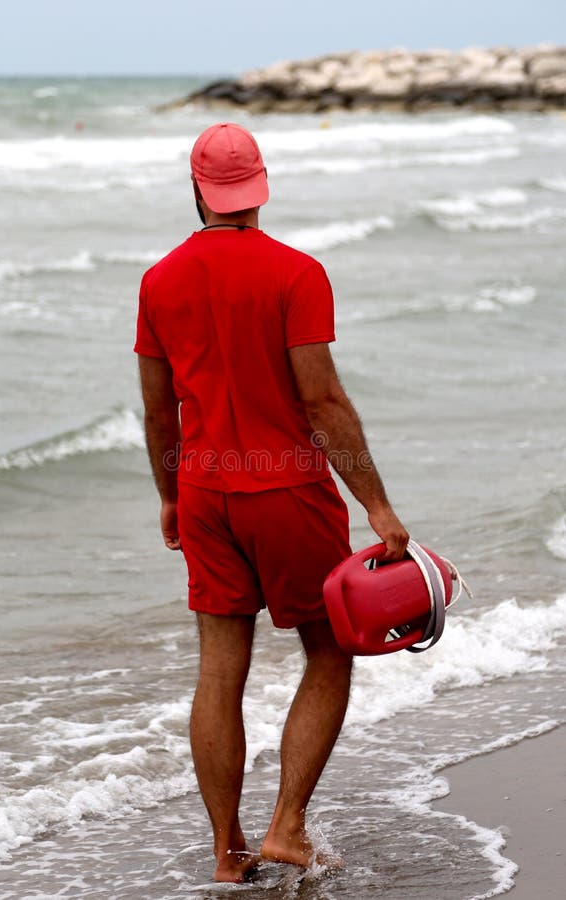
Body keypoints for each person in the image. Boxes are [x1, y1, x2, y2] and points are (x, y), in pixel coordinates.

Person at [134, 122, 409, 884]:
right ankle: (285, 826)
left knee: (220, 668)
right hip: (287, 490)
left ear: (197, 191)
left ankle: (228, 853)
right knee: (328, 650)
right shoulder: (296, 273)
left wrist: (168, 497)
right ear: (259, 189)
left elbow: (159, 412)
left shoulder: (158, 280)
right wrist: (378, 507)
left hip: (204, 492)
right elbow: (322, 401)